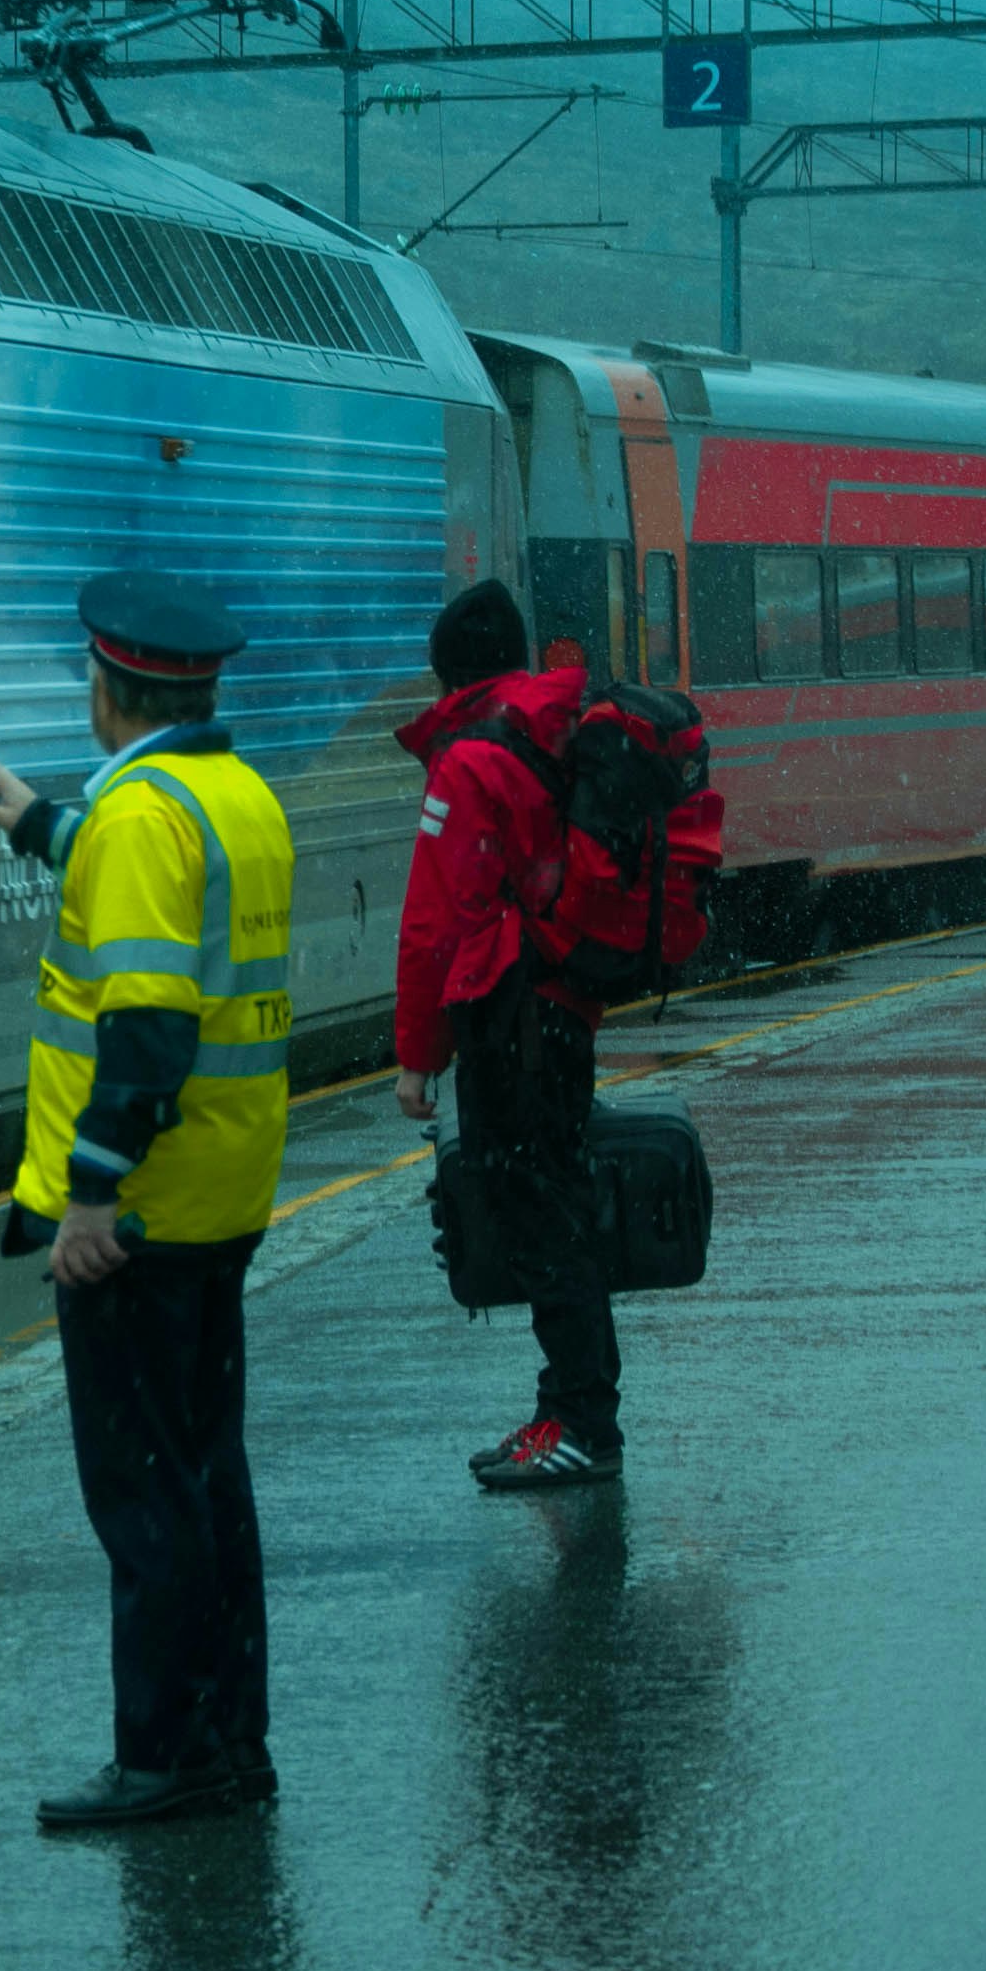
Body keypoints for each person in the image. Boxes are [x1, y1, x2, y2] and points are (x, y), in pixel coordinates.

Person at [0, 569, 297, 1828]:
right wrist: (45, 826)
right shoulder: (231, 793)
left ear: (110, 688)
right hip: (223, 1191)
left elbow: (147, 1025)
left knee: (143, 1492)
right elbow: (163, 908)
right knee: (208, 1475)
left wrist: (90, 1199)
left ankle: (161, 1755)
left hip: (138, 1213)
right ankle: (232, 1738)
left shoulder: (141, 816)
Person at [391, 578, 626, 1490]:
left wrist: (420, 1056)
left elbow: (432, 923)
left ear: (449, 674)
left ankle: (581, 1424)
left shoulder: (473, 756)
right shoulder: (555, 727)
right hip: (562, 1006)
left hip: (510, 1019)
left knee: (542, 1218)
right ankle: (566, 1411)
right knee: (555, 1206)